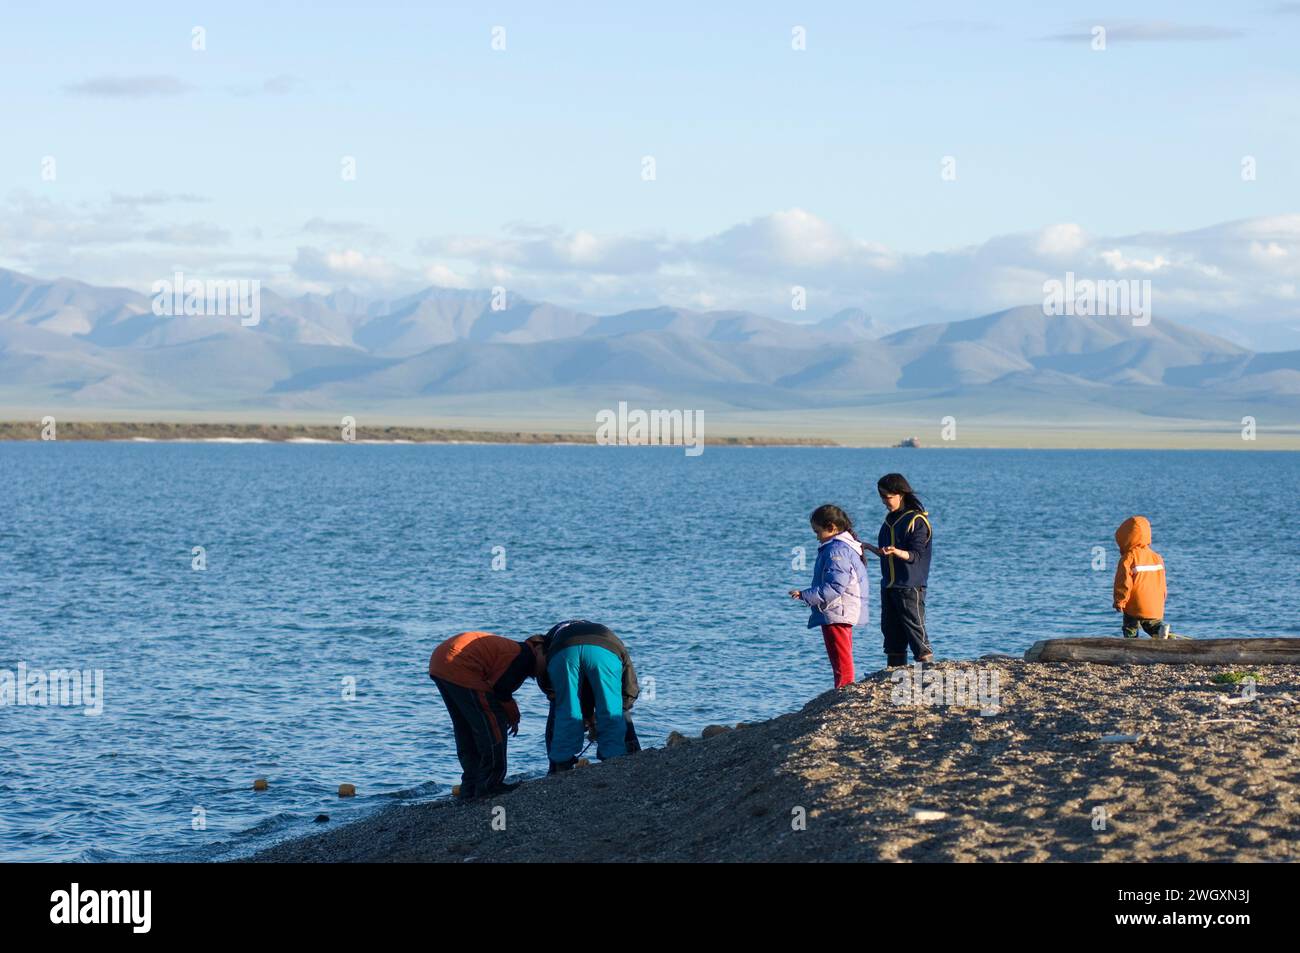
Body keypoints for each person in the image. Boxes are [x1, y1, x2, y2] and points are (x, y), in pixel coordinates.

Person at [427, 630, 546, 799]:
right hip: (461, 664)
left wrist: (510, 712)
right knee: (493, 726)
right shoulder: (524, 655)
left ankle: (471, 784)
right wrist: (514, 716)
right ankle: (490, 784)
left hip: (440, 663)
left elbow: (499, 689)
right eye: (548, 661)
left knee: (465, 727)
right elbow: (501, 691)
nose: (548, 668)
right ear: (539, 650)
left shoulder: (514, 652)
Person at [536, 620, 640, 772]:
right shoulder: (607, 634)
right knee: (612, 710)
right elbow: (630, 687)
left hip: (563, 650)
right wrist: (623, 705)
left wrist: (556, 697)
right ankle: (615, 761)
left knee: (565, 709)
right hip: (604, 649)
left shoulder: (549, 639)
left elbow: (548, 684)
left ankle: (559, 765)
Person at [789, 504, 866, 688]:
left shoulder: (837, 550)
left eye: (817, 532)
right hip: (836, 609)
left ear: (831, 527)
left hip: (837, 609)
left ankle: (844, 688)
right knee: (838, 654)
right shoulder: (838, 547)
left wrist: (806, 595)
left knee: (840, 656)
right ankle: (841, 687)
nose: (816, 537)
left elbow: (836, 585)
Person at [864, 473, 934, 667]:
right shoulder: (889, 521)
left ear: (901, 494)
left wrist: (897, 551)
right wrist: (870, 548)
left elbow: (916, 556)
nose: (885, 502)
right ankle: (894, 674)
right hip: (889, 586)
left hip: (910, 587)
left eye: (888, 497)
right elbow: (887, 554)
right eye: (882, 497)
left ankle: (928, 670)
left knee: (916, 632)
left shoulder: (916, 521)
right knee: (891, 634)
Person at [1112, 515, 1171, 639]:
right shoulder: (1156, 557)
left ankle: (1131, 646)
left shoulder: (1128, 558)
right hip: (1155, 603)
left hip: (1135, 603)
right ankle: (1165, 635)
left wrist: (1120, 601)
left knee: (1130, 625)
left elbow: (1123, 583)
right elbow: (1162, 582)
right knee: (1151, 625)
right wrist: (1162, 599)